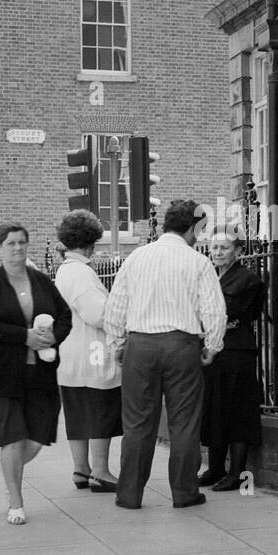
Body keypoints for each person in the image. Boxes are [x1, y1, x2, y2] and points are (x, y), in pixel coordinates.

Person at [103, 199, 226, 510]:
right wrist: (212, 346)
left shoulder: (137, 257)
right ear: (192, 227)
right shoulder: (198, 262)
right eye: (201, 229)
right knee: (184, 423)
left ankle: (129, 494)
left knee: (137, 424)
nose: (202, 235)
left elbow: (116, 306)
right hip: (181, 345)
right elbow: (214, 310)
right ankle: (185, 493)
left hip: (140, 345)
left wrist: (117, 345)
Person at [0, 223, 72, 524]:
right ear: (0, 248)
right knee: (12, 438)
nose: (17, 248)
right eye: (11, 243)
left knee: (38, 437)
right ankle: (15, 500)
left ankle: (10, 470)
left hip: (39, 374)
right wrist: (23, 336)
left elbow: (65, 316)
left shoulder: (41, 281)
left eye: (22, 243)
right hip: (0, 374)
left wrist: (54, 336)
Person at [54, 211, 121, 494]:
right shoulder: (81, 272)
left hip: (71, 356)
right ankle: (101, 471)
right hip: (91, 356)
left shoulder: (64, 270)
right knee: (100, 411)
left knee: (77, 414)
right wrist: (120, 320)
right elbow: (97, 313)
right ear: (91, 241)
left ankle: (81, 469)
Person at [200, 230, 267, 493]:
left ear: (238, 251)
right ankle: (216, 468)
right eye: (214, 247)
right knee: (214, 408)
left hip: (237, 352)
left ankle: (237, 473)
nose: (217, 252)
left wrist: (214, 318)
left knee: (237, 410)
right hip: (214, 351)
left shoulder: (247, 279)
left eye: (224, 248)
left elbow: (230, 312)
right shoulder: (209, 277)